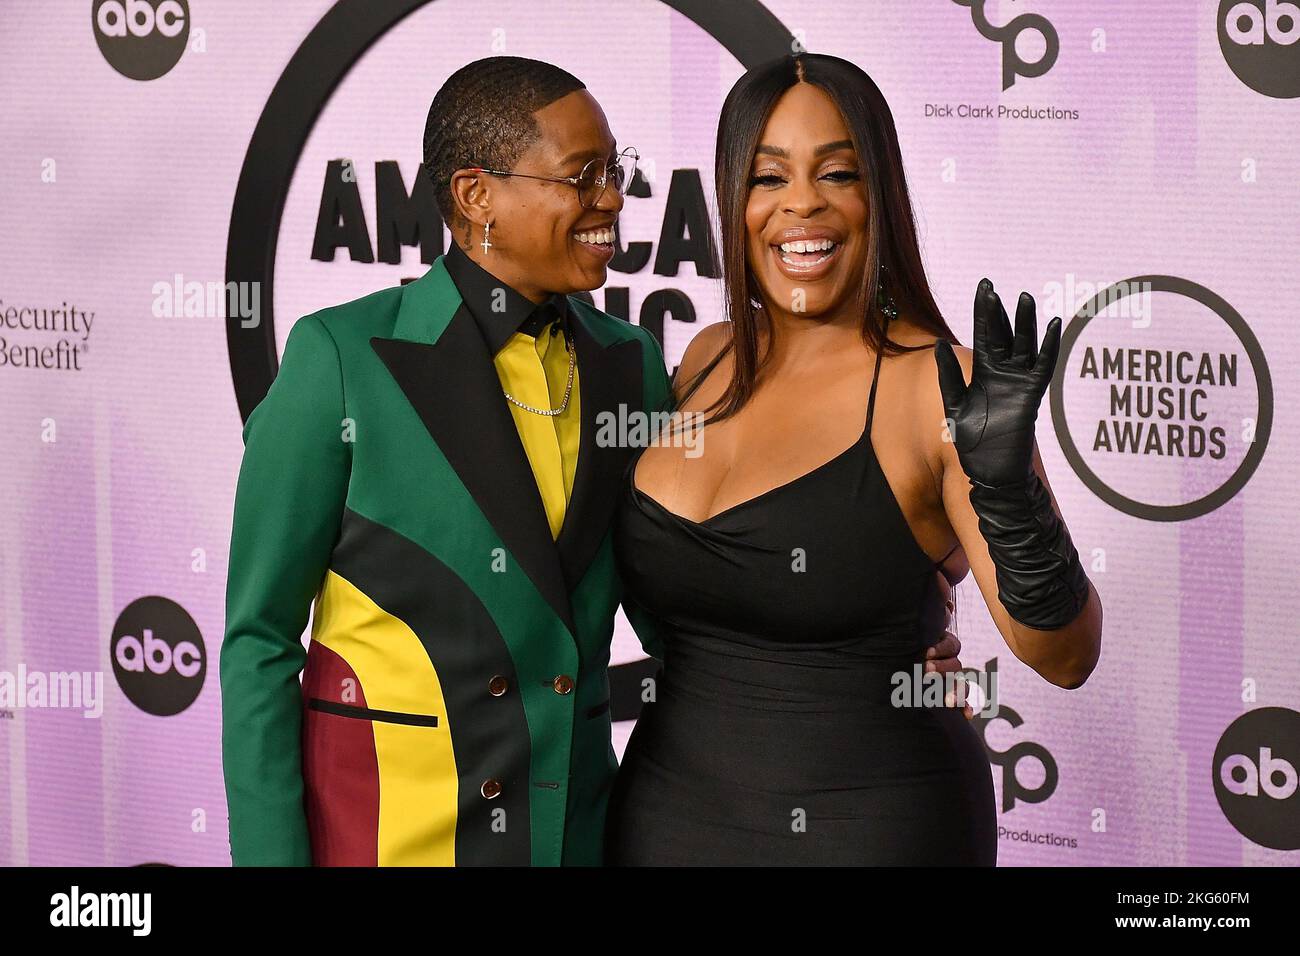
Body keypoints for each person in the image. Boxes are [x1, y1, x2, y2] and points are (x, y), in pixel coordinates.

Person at [605, 53, 1103, 866]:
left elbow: (1065, 654)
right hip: (664, 819)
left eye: (837, 172)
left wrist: (1008, 492)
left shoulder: (943, 385)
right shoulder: (703, 358)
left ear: (881, 195)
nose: (802, 201)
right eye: (769, 178)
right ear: (733, 200)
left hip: (875, 830)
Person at [220, 56, 667, 866]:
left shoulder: (631, 361)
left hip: (575, 840)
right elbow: (260, 644)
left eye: (616, 169)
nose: (613, 198)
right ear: (477, 196)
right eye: (583, 175)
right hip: (395, 838)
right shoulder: (341, 360)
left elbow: (683, 603)